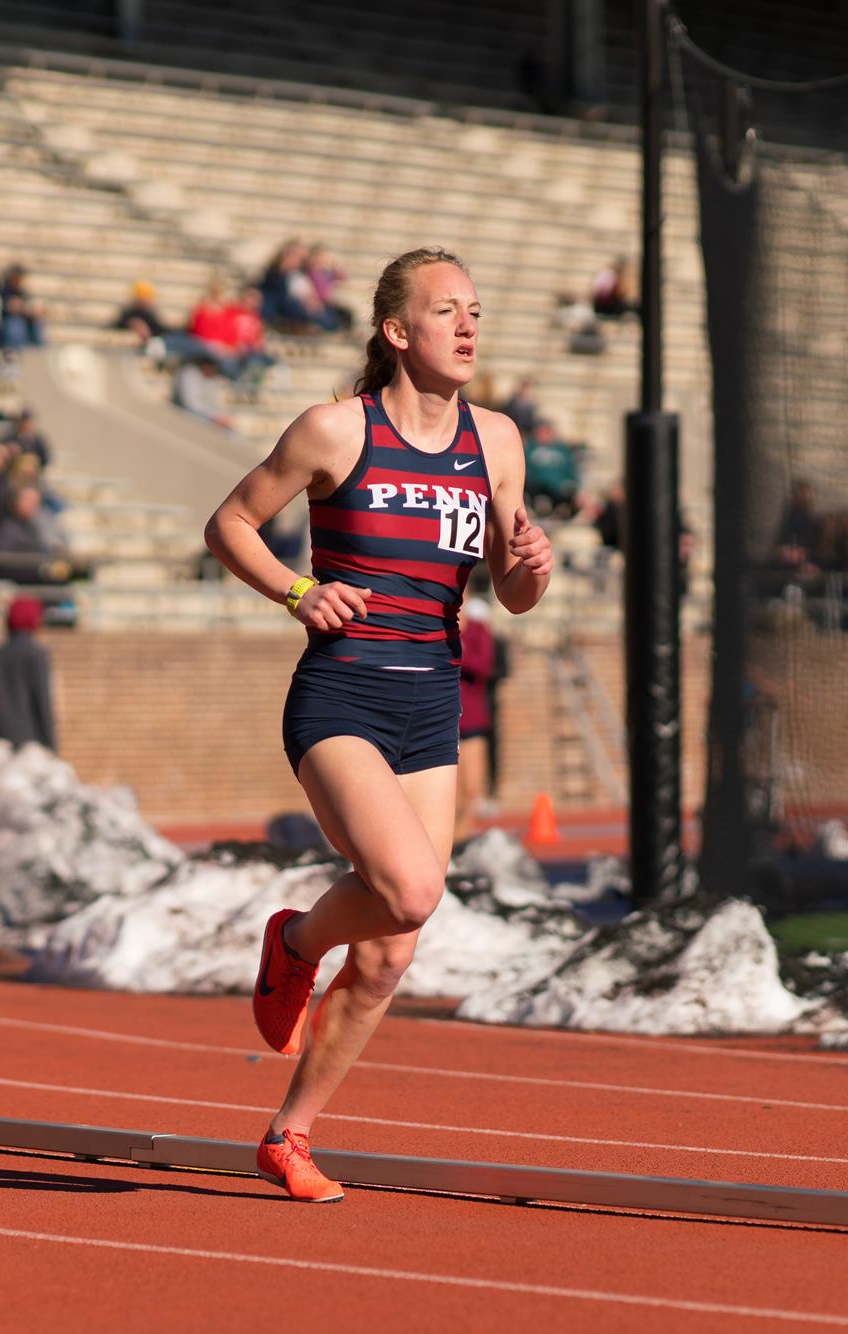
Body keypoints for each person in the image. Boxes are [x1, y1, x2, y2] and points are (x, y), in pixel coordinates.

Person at [203, 246, 552, 1203]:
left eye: (477, 310)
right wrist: (298, 590)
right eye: (450, 312)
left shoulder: (501, 441)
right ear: (399, 332)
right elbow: (230, 523)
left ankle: (290, 1134)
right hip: (344, 695)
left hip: (431, 700)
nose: (471, 327)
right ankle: (299, 945)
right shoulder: (333, 431)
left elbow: (510, 593)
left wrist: (532, 566)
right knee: (408, 890)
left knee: (396, 945)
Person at [0, 595, 57, 750]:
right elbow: (41, 699)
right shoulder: (36, 653)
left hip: (3, 736)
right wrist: (50, 742)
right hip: (33, 738)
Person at [454, 597, 497, 845]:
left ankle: (461, 844)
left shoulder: (477, 627)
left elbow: (483, 666)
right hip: (442, 719)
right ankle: (445, 847)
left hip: (471, 719)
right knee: (451, 795)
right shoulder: (436, 621)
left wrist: (459, 649)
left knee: (472, 791)